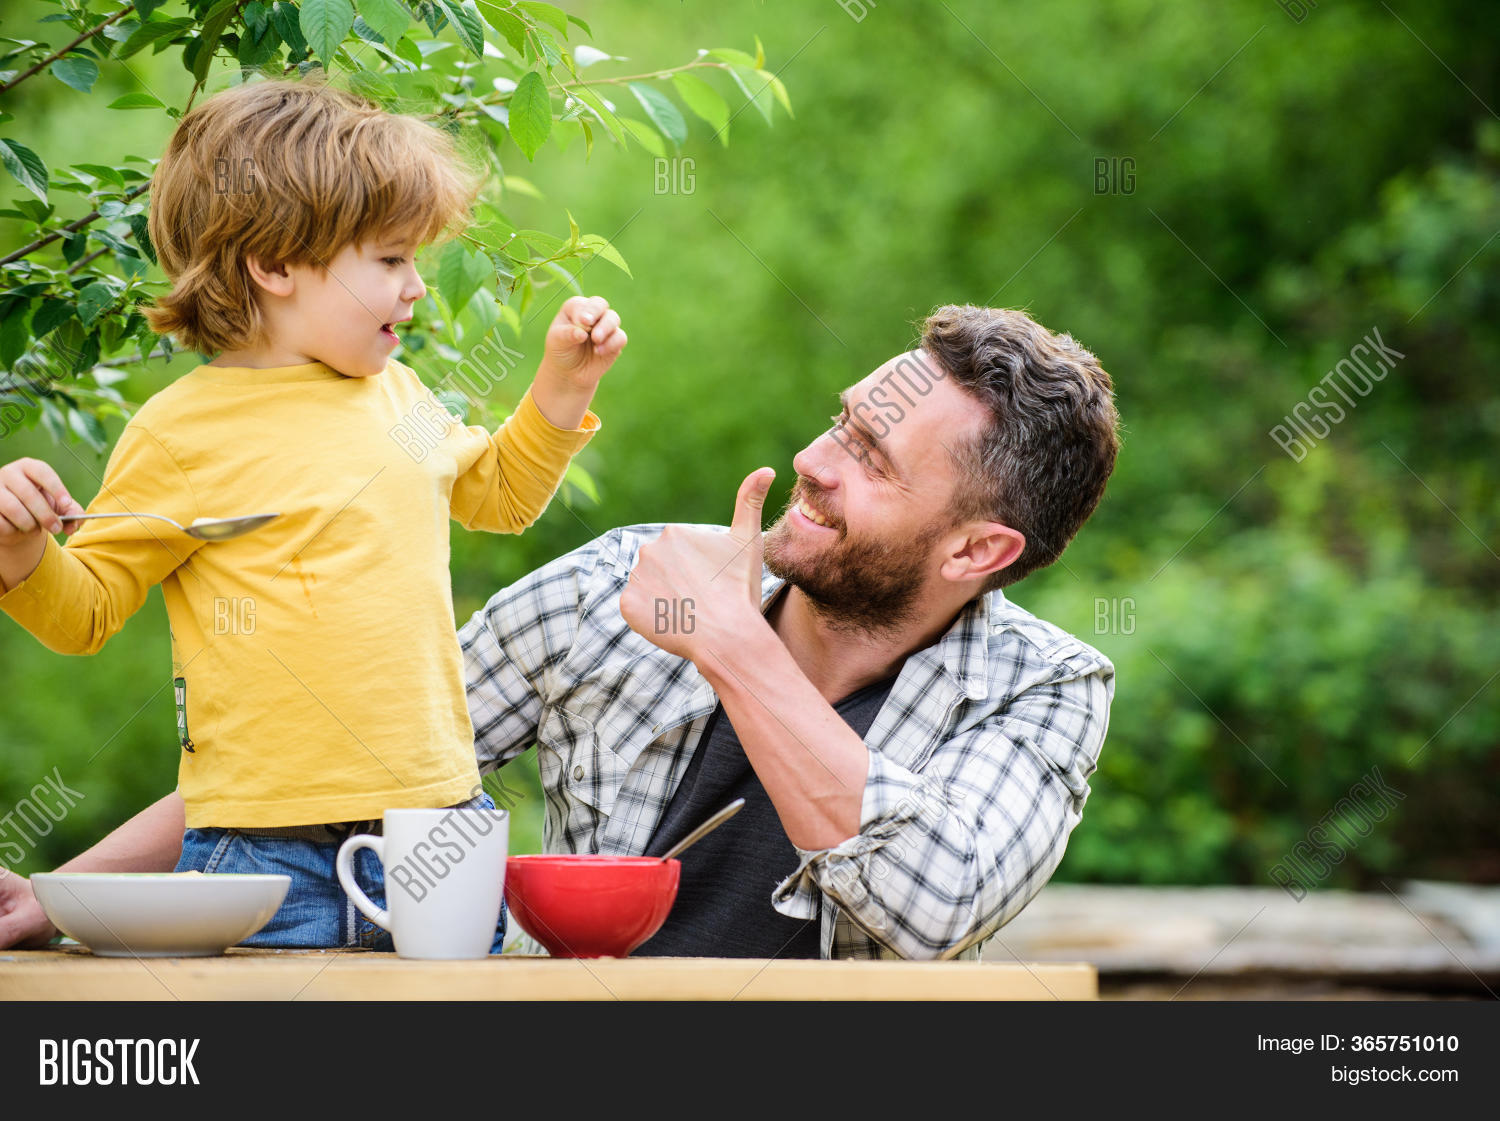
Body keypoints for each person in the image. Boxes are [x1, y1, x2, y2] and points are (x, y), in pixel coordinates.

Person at [0, 304, 1113, 962]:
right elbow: (336, 750)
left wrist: (732, 642)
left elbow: (936, 902)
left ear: (979, 550)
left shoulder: (1047, 687)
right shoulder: (620, 578)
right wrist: (56, 895)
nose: (819, 461)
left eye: (874, 461)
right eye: (843, 422)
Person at [0, 79, 625, 950]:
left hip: (438, 831)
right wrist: (20, 545)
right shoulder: (179, 432)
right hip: (260, 858)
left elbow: (500, 495)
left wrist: (563, 385)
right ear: (276, 264)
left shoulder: (397, 397)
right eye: (391, 260)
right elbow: (84, 612)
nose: (417, 288)